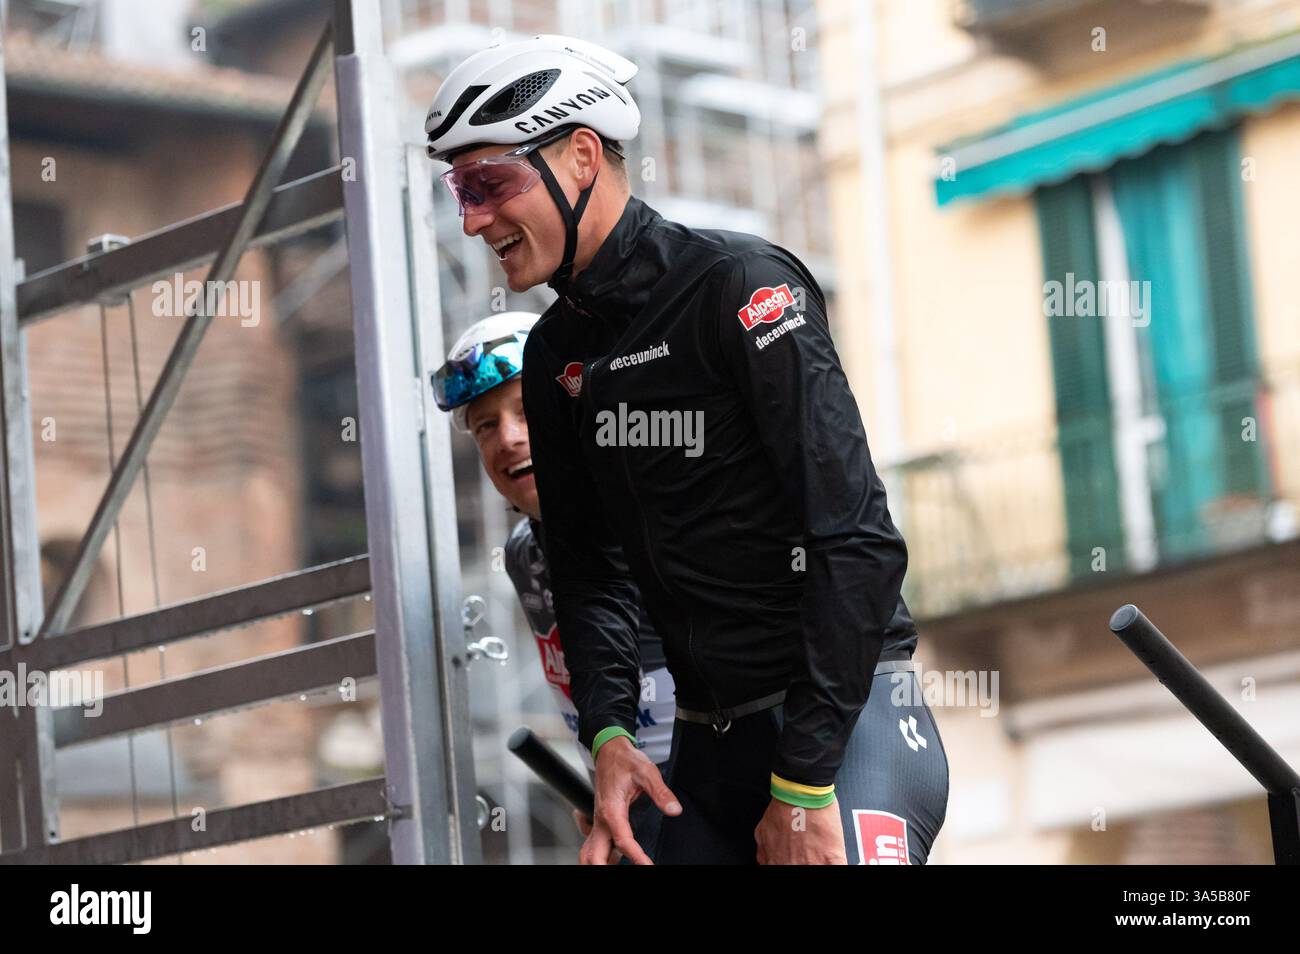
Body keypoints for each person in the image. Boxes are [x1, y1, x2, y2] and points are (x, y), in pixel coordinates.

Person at [425, 35, 948, 865]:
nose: (472, 217)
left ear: (583, 157)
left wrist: (805, 783)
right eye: (460, 188)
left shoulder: (739, 287)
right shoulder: (554, 355)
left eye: (490, 184)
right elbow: (588, 571)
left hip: (844, 730)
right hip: (709, 749)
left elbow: (858, 541)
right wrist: (606, 733)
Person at [431, 310, 677, 850]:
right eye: (485, 427)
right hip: (632, 808)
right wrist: (600, 787)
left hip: (720, 795)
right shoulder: (523, 554)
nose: (509, 439)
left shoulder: (650, 512)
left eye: (527, 411)